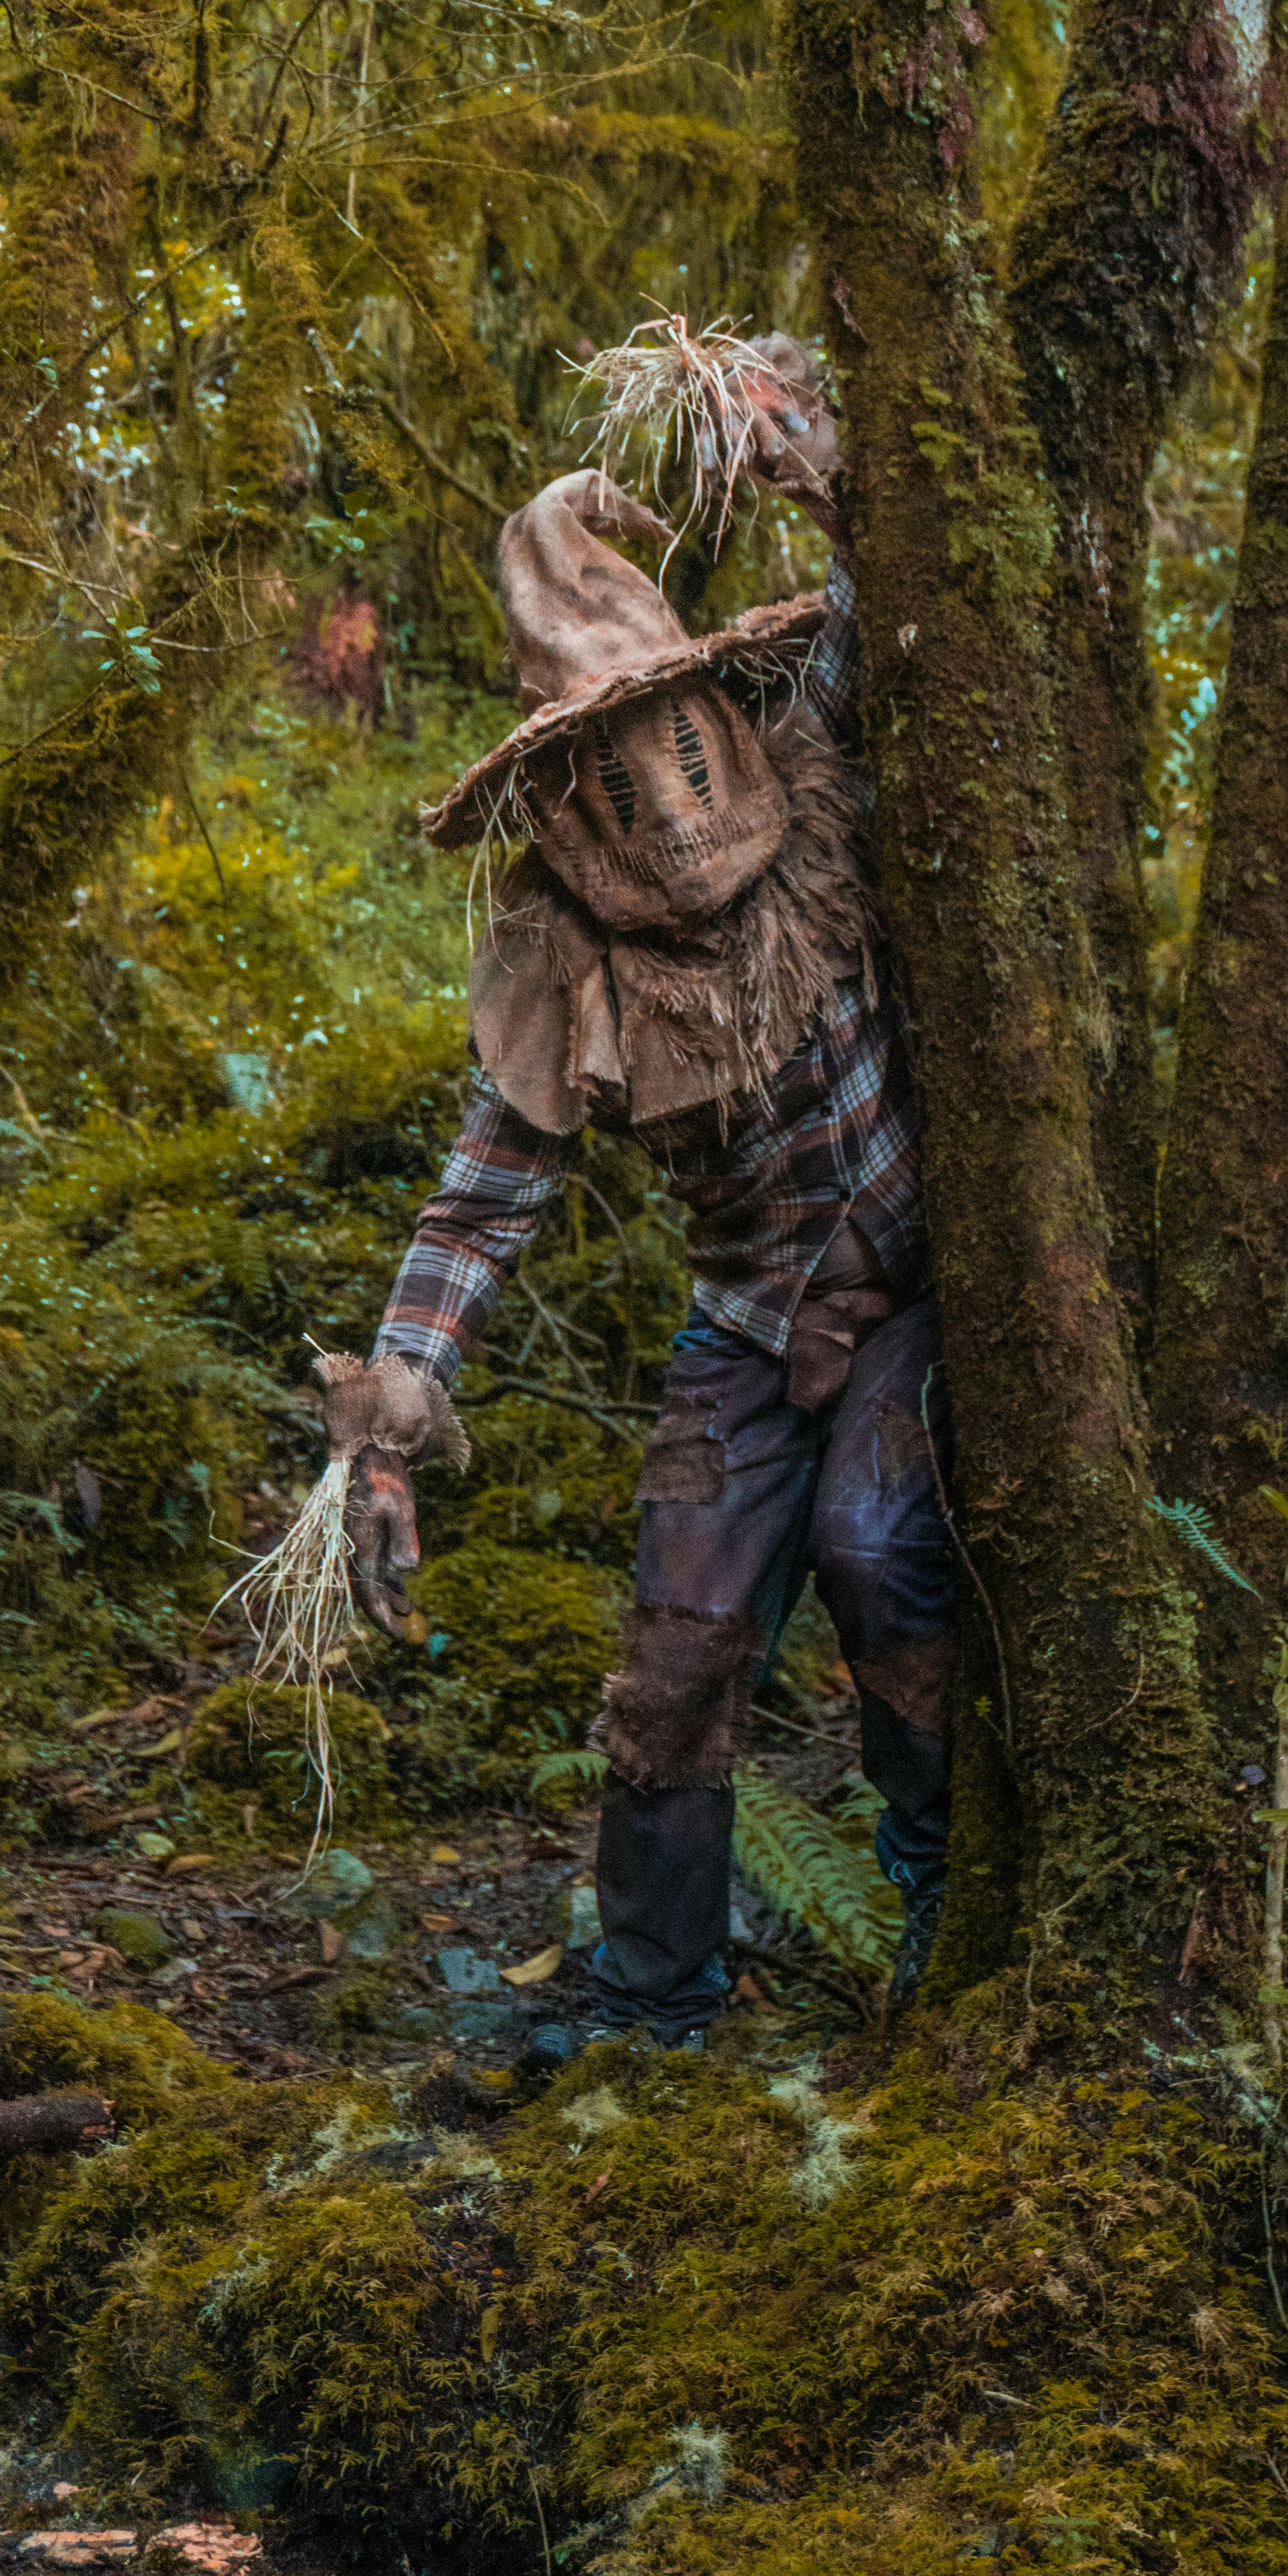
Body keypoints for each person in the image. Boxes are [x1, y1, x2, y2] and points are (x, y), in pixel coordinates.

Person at [319, 338, 954, 2054]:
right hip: (746, 1330)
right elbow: (480, 1199)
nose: (654, 786)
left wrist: (808, 453)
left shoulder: (807, 753)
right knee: (672, 1665)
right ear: (557, 786)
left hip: (913, 1290)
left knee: (883, 1552)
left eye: (663, 734)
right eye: (601, 758)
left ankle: (942, 1899)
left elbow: (907, 594)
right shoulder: (570, 960)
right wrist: (385, 1430)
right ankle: (650, 1994)